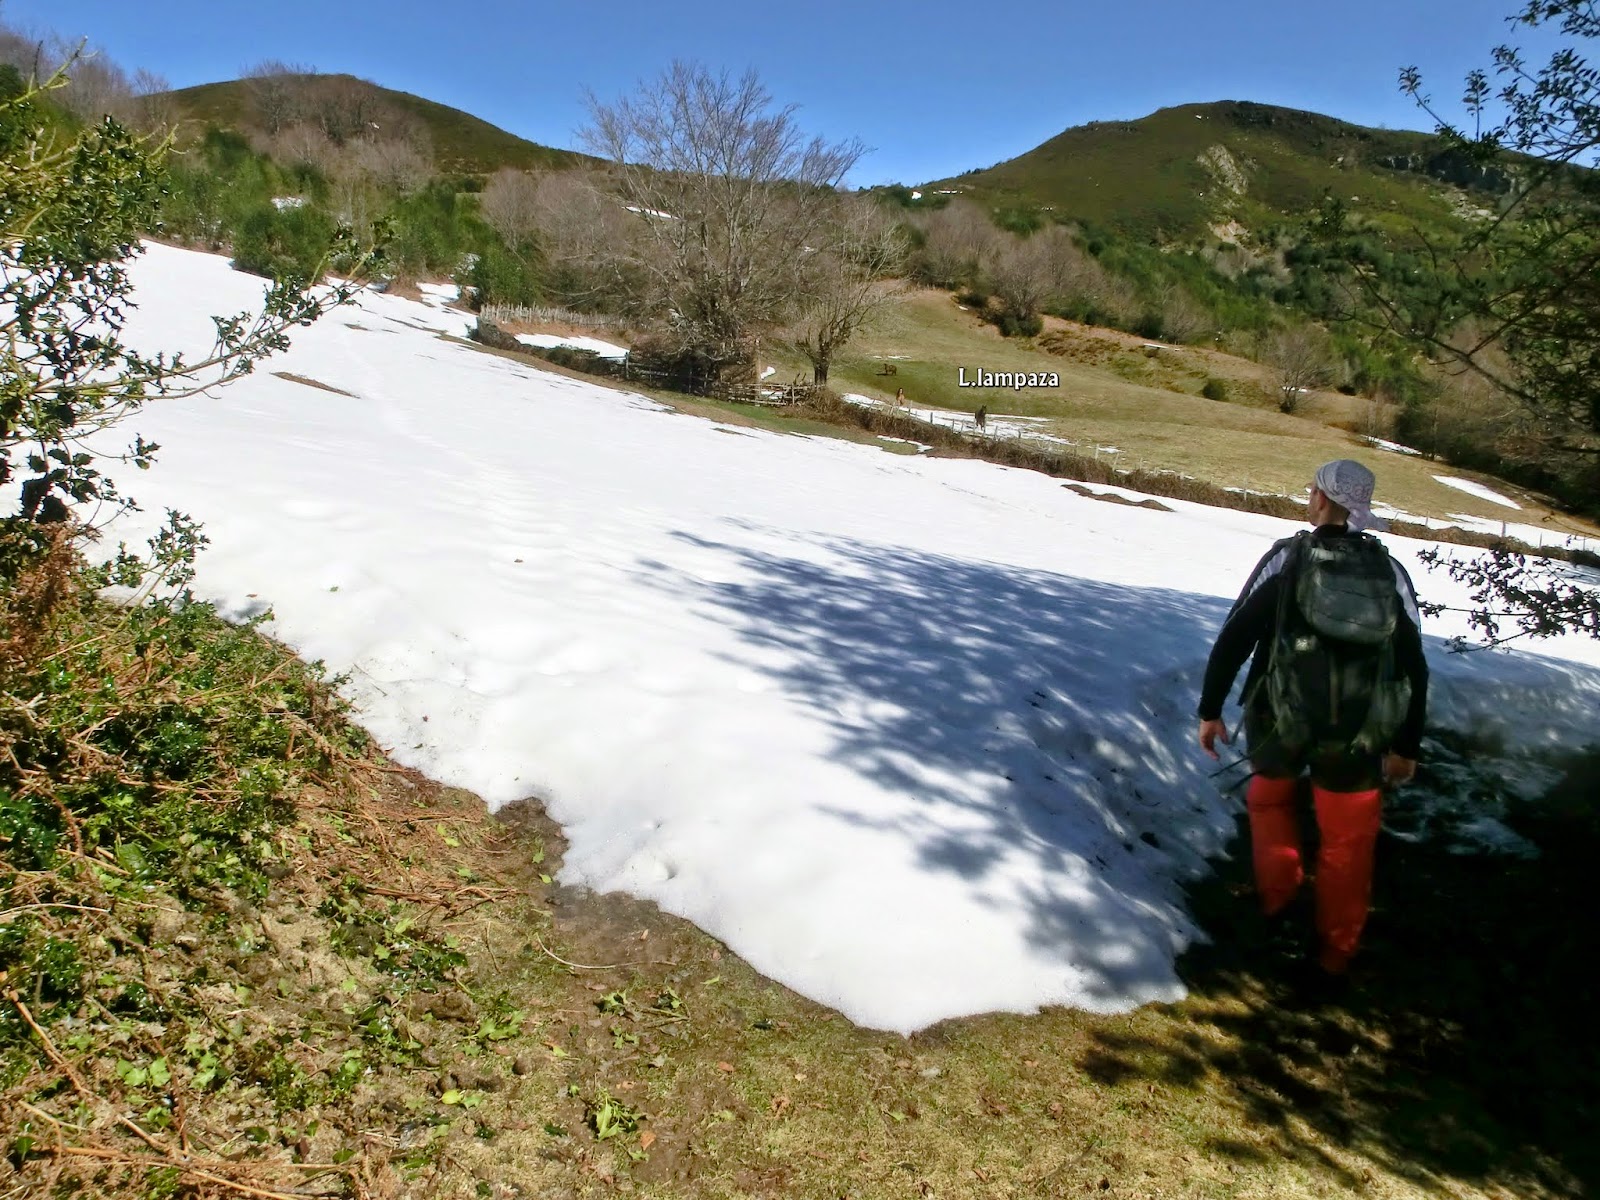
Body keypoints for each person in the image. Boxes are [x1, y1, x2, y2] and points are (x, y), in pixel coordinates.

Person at [1197, 459, 1429, 982]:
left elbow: (1235, 638)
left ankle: (1277, 907)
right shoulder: (1388, 572)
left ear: (1321, 499)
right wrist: (1406, 746)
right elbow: (1414, 666)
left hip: (1279, 718)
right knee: (1349, 838)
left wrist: (1210, 711)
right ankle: (1335, 953)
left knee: (1271, 802)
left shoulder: (1287, 559)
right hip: (1359, 730)